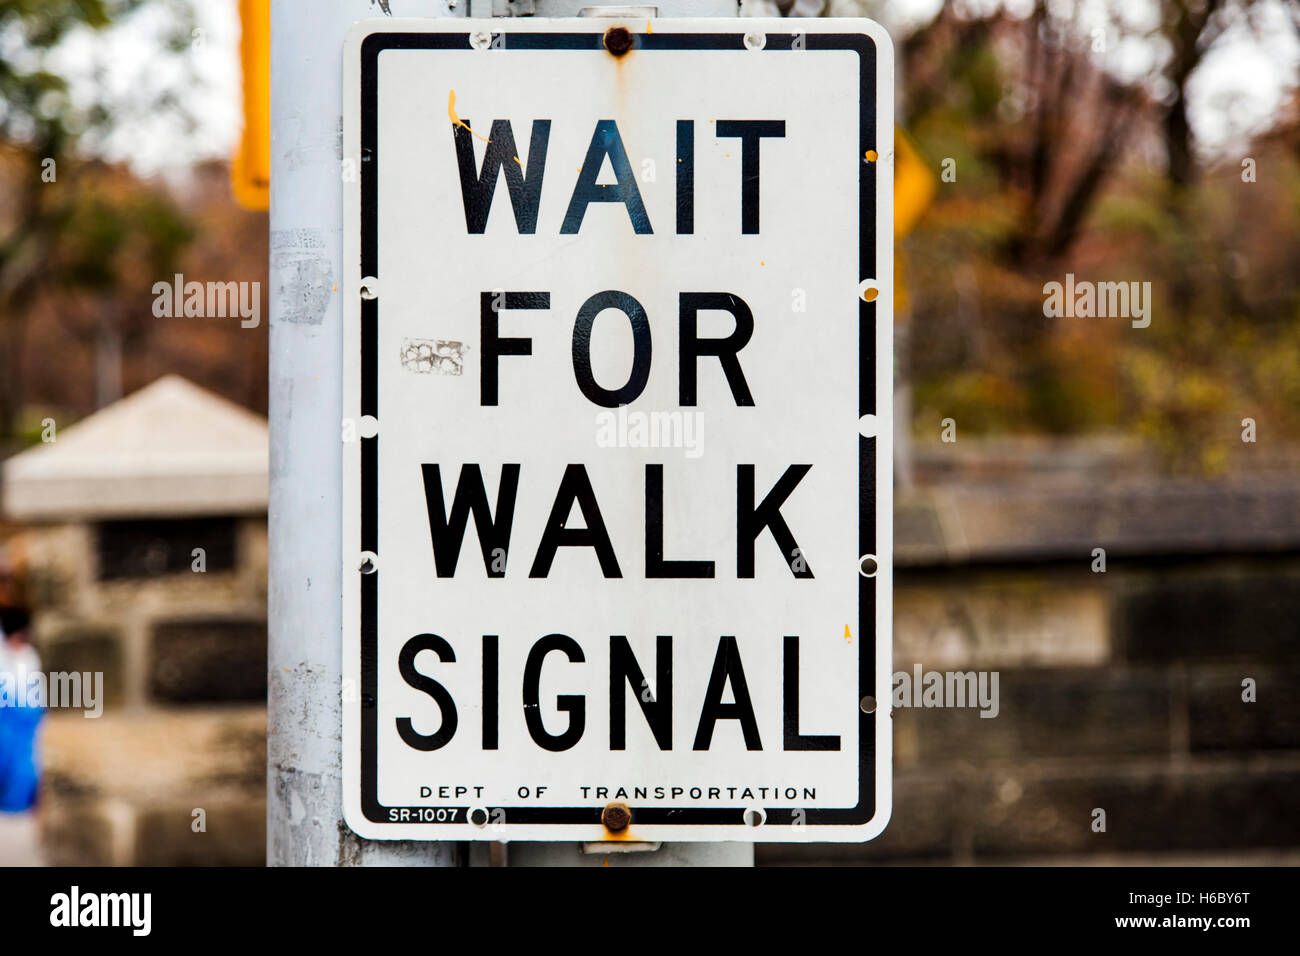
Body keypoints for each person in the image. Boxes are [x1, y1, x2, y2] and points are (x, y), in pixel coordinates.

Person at [0, 606, 42, 813]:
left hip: (25, 718)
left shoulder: (28, 656)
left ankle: (16, 803)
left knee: (23, 765)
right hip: (8, 716)